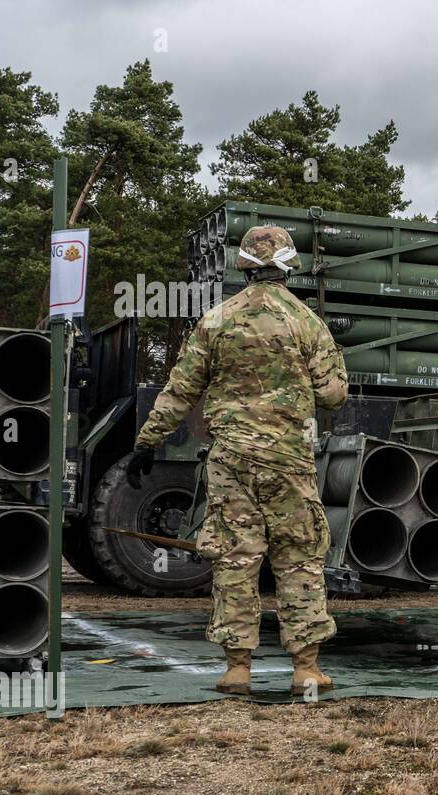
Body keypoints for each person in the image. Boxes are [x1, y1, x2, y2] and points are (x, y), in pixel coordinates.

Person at [126, 225, 349, 696]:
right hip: (287, 460)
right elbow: (332, 396)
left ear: (243, 263)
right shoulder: (308, 323)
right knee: (299, 558)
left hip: (230, 461)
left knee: (234, 558)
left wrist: (147, 442)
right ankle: (306, 669)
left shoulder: (216, 320)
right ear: (290, 262)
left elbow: (180, 389)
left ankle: (237, 669)